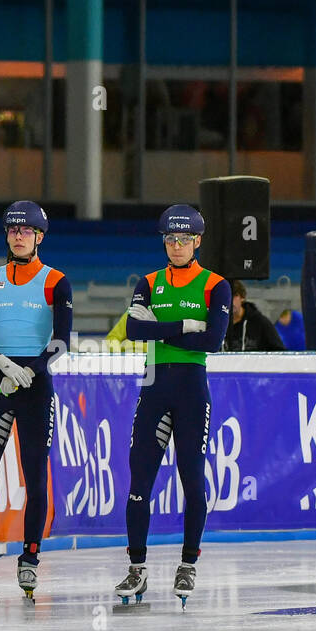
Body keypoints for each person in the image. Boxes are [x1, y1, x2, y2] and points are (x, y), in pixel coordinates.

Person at [0, 201, 73, 602]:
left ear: (40, 237)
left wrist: (33, 370)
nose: (18, 236)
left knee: (34, 476)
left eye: (26, 231)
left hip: (35, 386)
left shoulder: (57, 280)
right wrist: (2, 363)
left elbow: (61, 340)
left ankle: (31, 557)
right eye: (12, 230)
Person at [117, 204, 231, 607]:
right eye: (170, 239)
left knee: (191, 479)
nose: (177, 246)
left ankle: (187, 564)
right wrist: (184, 326)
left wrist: (159, 330)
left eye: (184, 240)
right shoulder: (148, 282)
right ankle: (136, 568)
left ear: (198, 242)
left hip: (191, 391)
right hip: (154, 388)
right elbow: (132, 329)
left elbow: (213, 341)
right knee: (139, 482)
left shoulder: (215, 285)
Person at [222, 279, 285, 351]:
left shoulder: (259, 322)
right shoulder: (217, 321)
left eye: (234, 296)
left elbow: (279, 352)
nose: (230, 301)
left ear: (242, 297)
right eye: (226, 297)